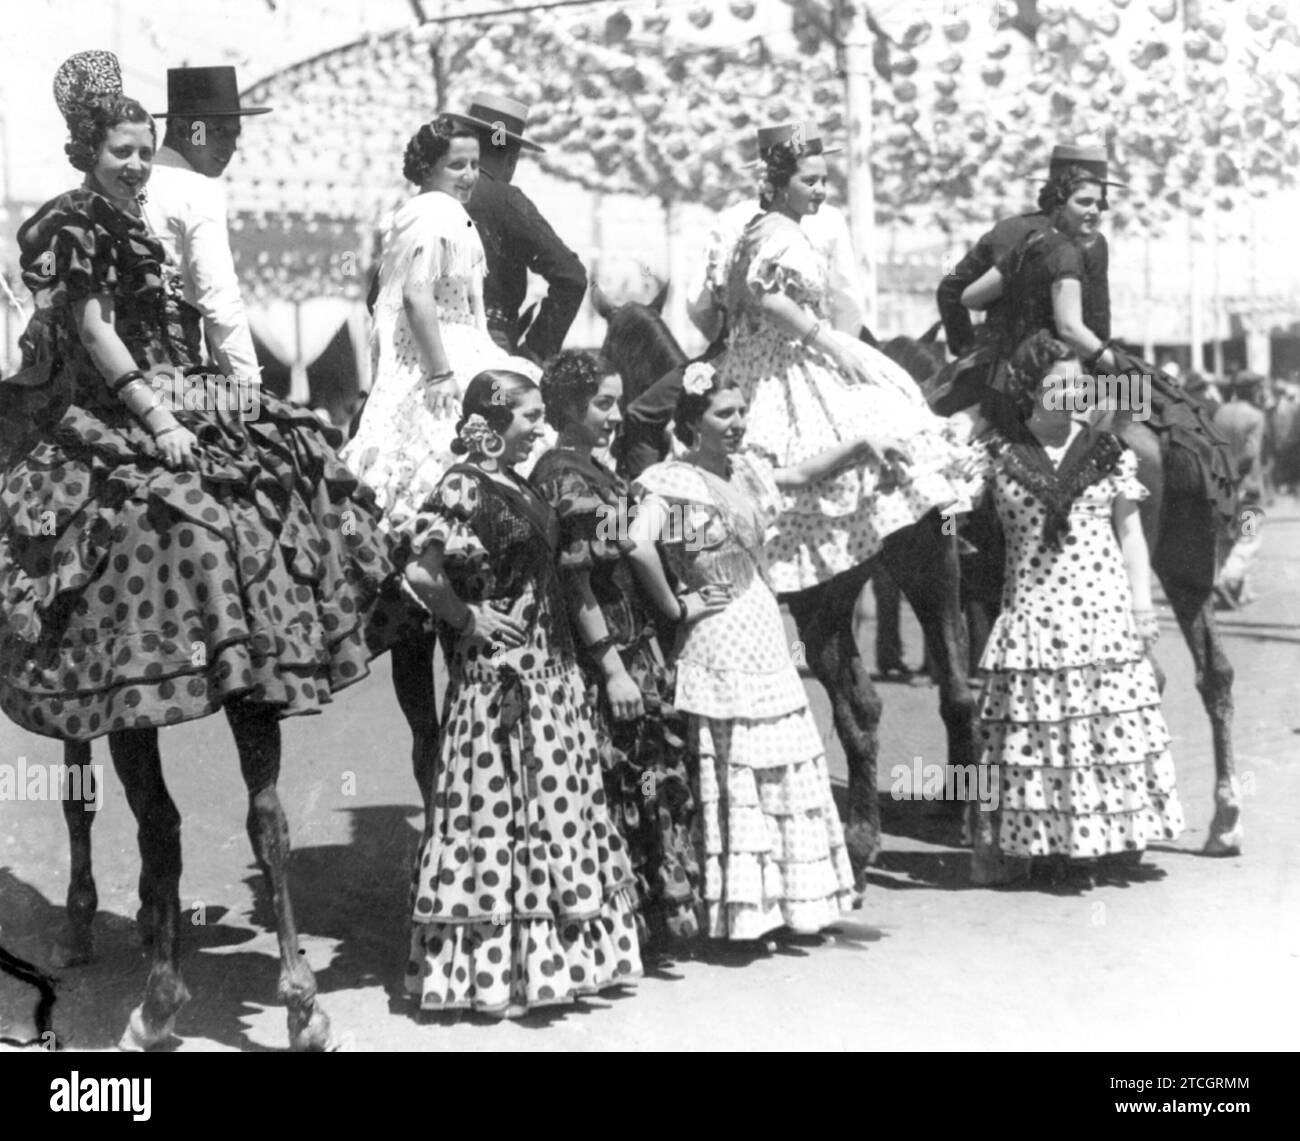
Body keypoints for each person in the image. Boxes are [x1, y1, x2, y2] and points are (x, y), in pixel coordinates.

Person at [0, 55, 394, 754]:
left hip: (180, 379)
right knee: (195, 514)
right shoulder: (78, 220)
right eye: (122, 152)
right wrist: (159, 417)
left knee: (294, 448)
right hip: (119, 394)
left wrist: (228, 396)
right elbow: (96, 331)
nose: (137, 165)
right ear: (89, 153)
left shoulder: (136, 213)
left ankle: (280, 648)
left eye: (145, 153)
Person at [402, 370, 642, 1016]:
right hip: (497, 682)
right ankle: (496, 975)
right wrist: (468, 617)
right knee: (500, 817)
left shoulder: (518, 483)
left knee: (548, 812)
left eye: (539, 414)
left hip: (548, 675)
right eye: (528, 416)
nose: (539, 425)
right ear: (490, 423)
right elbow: (421, 572)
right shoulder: (462, 483)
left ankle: (547, 967)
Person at [626, 363, 867, 941]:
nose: (737, 424)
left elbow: (800, 474)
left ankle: (789, 906)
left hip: (763, 625)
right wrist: (677, 606)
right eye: (723, 414)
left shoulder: (749, 470)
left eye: (740, 412)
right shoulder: (667, 481)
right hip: (715, 633)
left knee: (780, 762)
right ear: (692, 421)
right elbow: (633, 543)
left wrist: (860, 445)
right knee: (733, 768)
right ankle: (737, 914)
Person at [712, 122, 975, 596]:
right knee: (885, 417)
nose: (819, 191)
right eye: (808, 181)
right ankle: (912, 532)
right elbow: (771, 302)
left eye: (823, 180)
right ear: (777, 183)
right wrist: (829, 343)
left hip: (753, 359)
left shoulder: (756, 228)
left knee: (890, 409)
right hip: (785, 364)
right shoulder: (784, 235)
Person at [969, 332, 1185, 886]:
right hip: (1033, 619)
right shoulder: (996, 455)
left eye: (1079, 383)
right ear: (1029, 389)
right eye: (1059, 384)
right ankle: (1044, 846)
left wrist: (1142, 606)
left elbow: (1130, 534)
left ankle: (1106, 843)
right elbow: (958, 524)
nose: (1074, 393)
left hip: (1103, 618)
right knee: (1037, 736)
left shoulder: (1110, 452)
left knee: (1103, 732)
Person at [532, 351, 704, 948]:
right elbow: (577, 581)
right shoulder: (563, 475)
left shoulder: (593, 469)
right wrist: (611, 670)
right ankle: (622, 926)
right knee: (622, 779)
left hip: (635, 646)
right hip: (607, 655)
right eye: (602, 403)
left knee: (645, 775)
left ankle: (653, 917)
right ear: (568, 408)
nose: (613, 415)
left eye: (614, 402)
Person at [342, 114, 541, 535]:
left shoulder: (430, 210)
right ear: (428, 167)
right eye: (457, 166)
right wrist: (440, 374)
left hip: (446, 345)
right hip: (436, 355)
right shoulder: (435, 211)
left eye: (474, 165)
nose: (469, 176)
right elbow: (417, 295)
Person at [142, 66, 268, 385]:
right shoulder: (197, 190)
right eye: (219, 131)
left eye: (235, 133)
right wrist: (249, 386)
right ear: (186, 130)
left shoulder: (129, 180)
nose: (231, 146)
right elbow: (220, 303)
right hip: (172, 374)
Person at [935, 144, 1115, 363]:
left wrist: (963, 348)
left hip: (996, 363)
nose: (1095, 209)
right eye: (1086, 200)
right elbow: (1097, 321)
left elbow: (950, 286)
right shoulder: (1092, 243)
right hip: (1063, 367)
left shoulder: (1005, 229)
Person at [463, 93, 587, 362]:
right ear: (512, 157)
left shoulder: (428, 195)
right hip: (487, 344)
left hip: (421, 347)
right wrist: (536, 350)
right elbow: (572, 276)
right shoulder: (506, 200)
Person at [1213, 371, 1267, 608]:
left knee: (1225, 537)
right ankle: (1227, 579)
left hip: (1221, 486)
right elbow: (1250, 452)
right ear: (1254, 389)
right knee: (1248, 536)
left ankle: (1239, 591)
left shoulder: (1221, 412)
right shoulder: (1255, 416)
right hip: (1248, 487)